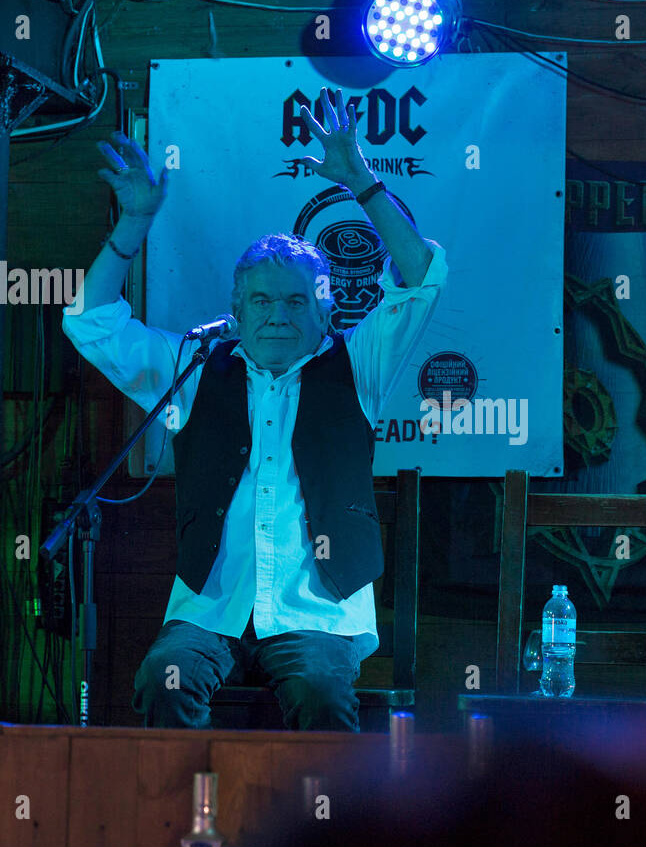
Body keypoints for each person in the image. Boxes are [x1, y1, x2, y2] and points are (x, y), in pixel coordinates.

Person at [63, 87, 447, 730]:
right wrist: (133, 224)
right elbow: (91, 324)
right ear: (236, 311)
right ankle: (188, 827)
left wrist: (362, 182)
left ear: (325, 311)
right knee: (165, 682)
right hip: (210, 609)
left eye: (296, 302)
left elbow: (422, 278)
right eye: (262, 302)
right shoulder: (191, 366)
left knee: (322, 699)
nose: (278, 315)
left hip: (319, 612)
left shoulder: (358, 365)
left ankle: (313, 829)